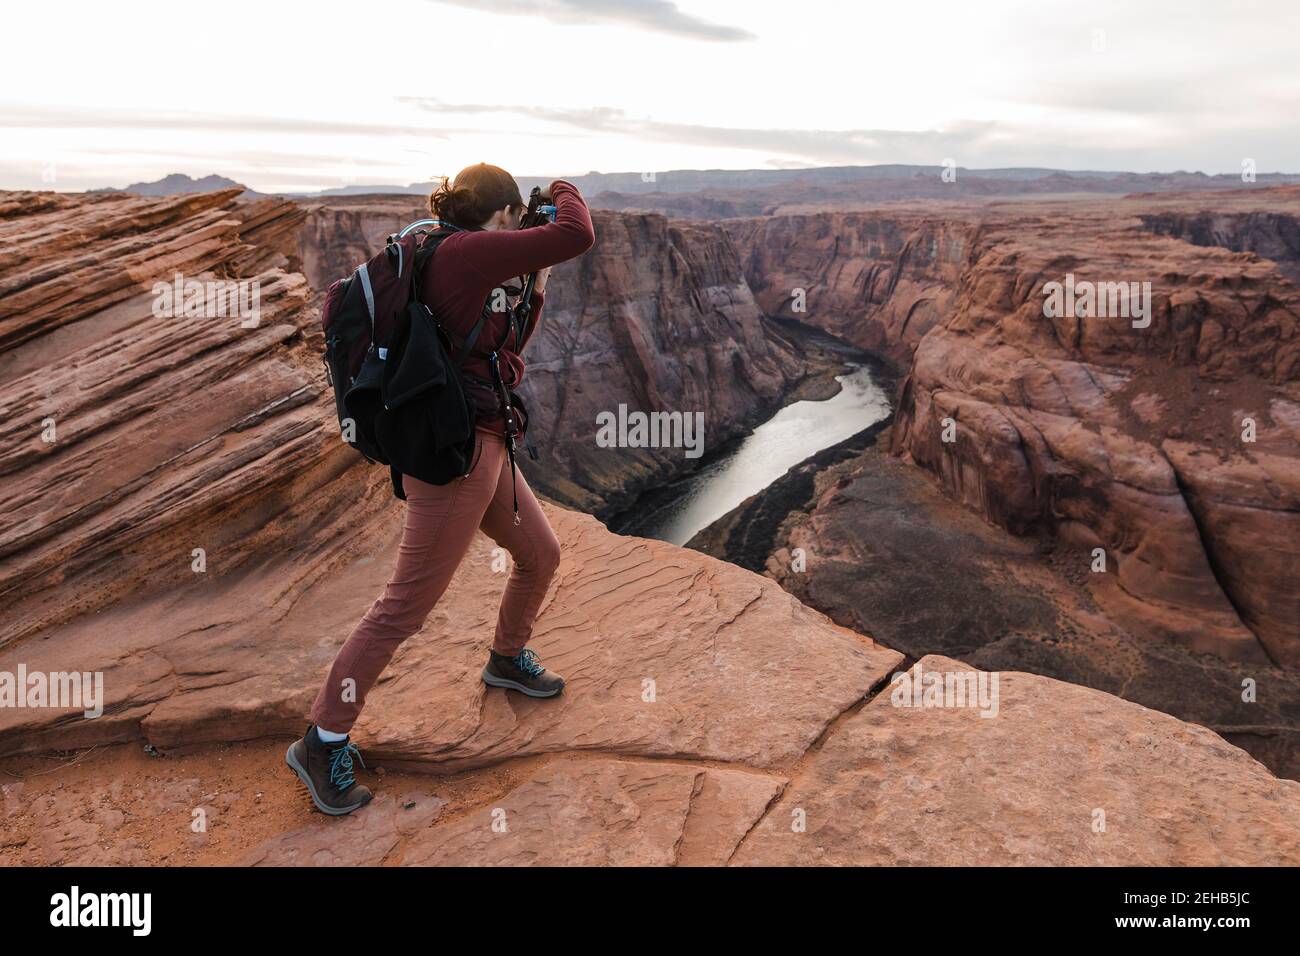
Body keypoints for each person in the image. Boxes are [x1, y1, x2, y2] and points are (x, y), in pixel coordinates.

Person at [286, 163, 596, 815]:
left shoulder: (463, 255)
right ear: (505, 214)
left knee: (541, 555)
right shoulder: (463, 251)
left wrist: (533, 281)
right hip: (450, 452)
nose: (523, 228)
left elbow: (505, 350)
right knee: (403, 608)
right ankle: (323, 738)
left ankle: (507, 658)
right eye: (519, 217)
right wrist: (565, 189)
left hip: (483, 437)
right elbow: (577, 234)